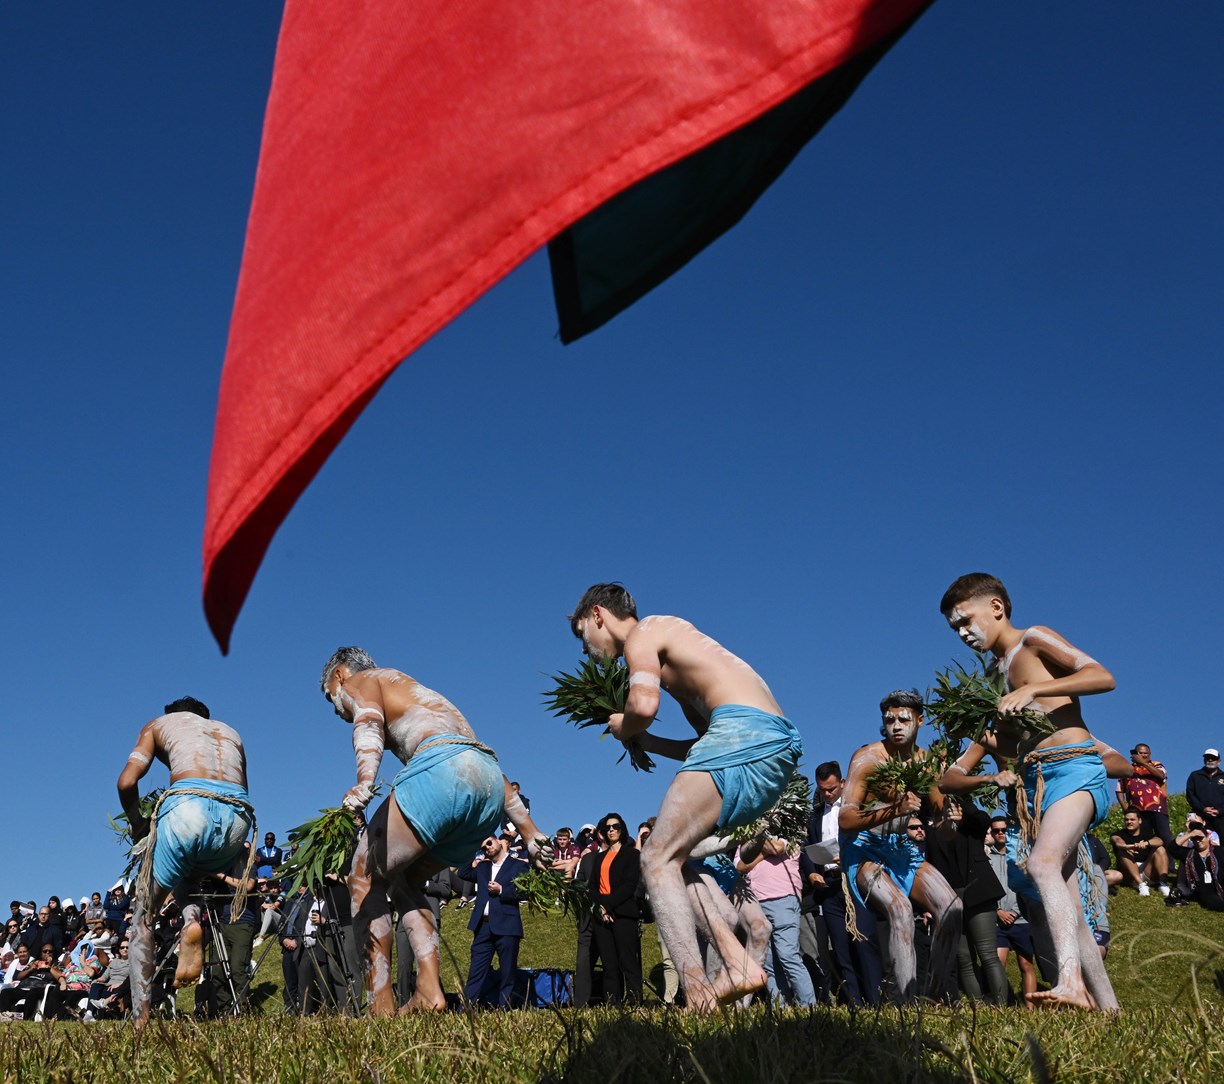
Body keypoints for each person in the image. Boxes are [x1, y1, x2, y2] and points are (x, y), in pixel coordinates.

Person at [568, 583, 802, 1010]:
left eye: (583, 635)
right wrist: (647, 742)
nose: (586, 651)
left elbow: (642, 704)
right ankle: (737, 963)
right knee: (678, 856)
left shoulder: (644, 633)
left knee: (654, 857)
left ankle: (696, 992)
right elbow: (699, 743)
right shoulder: (680, 648)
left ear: (598, 614)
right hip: (767, 748)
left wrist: (626, 726)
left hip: (744, 735)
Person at [320, 646, 551, 1015]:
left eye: (331, 699)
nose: (336, 710)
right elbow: (477, 757)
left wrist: (364, 781)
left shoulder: (363, 680)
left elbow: (367, 722)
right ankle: (428, 989)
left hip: (442, 773)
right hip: (487, 787)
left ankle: (379, 1006)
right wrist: (530, 831)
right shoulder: (425, 696)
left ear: (339, 676)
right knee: (406, 882)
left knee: (363, 877)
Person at [939, 572, 1120, 1011]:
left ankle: (1070, 983)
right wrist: (983, 733)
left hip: (1076, 767)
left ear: (997, 608)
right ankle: (1109, 1008)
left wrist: (1036, 686)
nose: (963, 632)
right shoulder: (992, 672)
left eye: (966, 620)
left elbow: (1101, 676)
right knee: (1069, 907)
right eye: (954, 628)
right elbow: (1014, 738)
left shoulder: (1034, 640)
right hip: (1041, 783)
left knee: (1041, 864)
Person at [116, 695, 255, 1030]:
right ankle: (191, 918)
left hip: (187, 809)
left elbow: (126, 782)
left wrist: (138, 825)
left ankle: (141, 1021)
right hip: (237, 822)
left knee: (143, 918)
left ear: (175, 715)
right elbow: (241, 792)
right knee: (188, 874)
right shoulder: (230, 732)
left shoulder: (159, 724)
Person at [838, 690, 960, 1003]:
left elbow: (943, 831)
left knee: (952, 907)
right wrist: (894, 810)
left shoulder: (925, 763)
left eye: (904, 719)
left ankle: (934, 995)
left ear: (920, 721)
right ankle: (906, 1003)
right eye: (889, 719)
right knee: (900, 908)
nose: (896, 726)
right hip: (864, 849)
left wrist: (949, 820)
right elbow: (846, 819)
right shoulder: (867, 758)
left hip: (901, 850)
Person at [800, 760, 883, 1007]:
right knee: (840, 946)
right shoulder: (814, 817)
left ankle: (876, 1001)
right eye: (823, 789)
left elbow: (872, 841)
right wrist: (811, 873)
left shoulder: (858, 810)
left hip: (855, 881)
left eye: (832, 789)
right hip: (828, 887)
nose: (827, 794)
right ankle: (854, 1002)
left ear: (843, 783)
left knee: (863, 941)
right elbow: (806, 850)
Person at [924, 798, 1008, 1005]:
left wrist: (963, 810)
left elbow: (982, 819)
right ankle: (976, 1006)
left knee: (987, 954)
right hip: (948, 897)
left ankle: (1001, 1005)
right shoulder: (927, 822)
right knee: (964, 959)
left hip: (978, 890)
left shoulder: (968, 819)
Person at [736, 836, 815, 1006]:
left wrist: (755, 846)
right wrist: (762, 852)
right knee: (768, 963)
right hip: (755, 904)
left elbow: (777, 848)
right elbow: (741, 867)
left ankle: (808, 1007)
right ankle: (780, 1008)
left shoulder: (786, 832)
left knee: (788, 956)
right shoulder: (743, 842)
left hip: (783, 899)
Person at [455, 834, 528, 1007]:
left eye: (489, 842)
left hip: (507, 925)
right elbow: (463, 872)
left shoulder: (518, 865)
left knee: (507, 971)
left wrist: (502, 890)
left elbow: (525, 892)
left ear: (498, 841)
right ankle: (466, 1007)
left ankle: (504, 1008)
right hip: (483, 926)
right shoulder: (483, 867)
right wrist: (472, 848)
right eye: (483, 847)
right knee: (476, 970)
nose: (487, 847)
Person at [588, 813, 643, 1005]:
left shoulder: (632, 854)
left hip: (624, 914)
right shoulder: (599, 857)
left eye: (616, 826)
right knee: (609, 964)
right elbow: (593, 886)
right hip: (602, 916)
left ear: (622, 829)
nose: (612, 830)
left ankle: (634, 1001)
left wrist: (608, 906)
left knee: (628, 961)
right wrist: (601, 908)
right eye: (608, 827)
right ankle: (612, 1002)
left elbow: (629, 885)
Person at [987, 816, 1038, 1006]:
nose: (1000, 833)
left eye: (1004, 830)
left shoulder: (1022, 857)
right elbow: (984, 890)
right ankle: (999, 1004)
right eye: (996, 830)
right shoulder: (987, 860)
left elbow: (1029, 887)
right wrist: (997, 911)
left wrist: (1016, 912)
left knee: (1026, 964)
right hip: (997, 920)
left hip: (1022, 919)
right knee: (997, 964)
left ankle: (1030, 1008)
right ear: (991, 833)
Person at [1117, 744, 1171, 851]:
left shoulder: (1157, 765)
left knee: (1164, 837)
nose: (1143, 755)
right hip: (1138, 810)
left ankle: (1169, 866)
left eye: (1145, 753)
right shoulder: (1128, 769)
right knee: (1143, 839)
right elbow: (1119, 789)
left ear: (1150, 754)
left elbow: (1161, 775)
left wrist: (1142, 763)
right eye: (1140, 753)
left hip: (1158, 808)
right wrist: (1124, 806)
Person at [1110, 810, 1170, 897]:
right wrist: (1126, 847)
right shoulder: (1118, 834)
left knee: (1160, 849)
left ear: (1140, 821)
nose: (1129, 822)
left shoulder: (1147, 833)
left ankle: (1163, 884)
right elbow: (1116, 840)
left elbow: (1159, 841)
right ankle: (1141, 885)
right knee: (1122, 851)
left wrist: (1146, 843)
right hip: (1129, 875)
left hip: (1147, 871)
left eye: (1132, 819)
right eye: (1126, 820)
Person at [1171, 820, 1224, 911]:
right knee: (1213, 902)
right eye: (1195, 839)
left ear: (1207, 837)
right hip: (1207, 891)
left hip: (1221, 885)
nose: (1198, 841)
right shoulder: (1189, 854)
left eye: (1201, 838)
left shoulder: (1219, 850)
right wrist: (1189, 834)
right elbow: (1172, 848)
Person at [1186, 749, 1224, 843]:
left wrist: (1219, 811)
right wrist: (1203, 808)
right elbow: (1190, 795)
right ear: (1204, 760)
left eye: (1213, 758)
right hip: (1200, 816)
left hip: (1221, 818)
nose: (1210, 760)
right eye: (1207, 758)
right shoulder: (1195, 775)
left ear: (1219, 761)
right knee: (1199, 843)